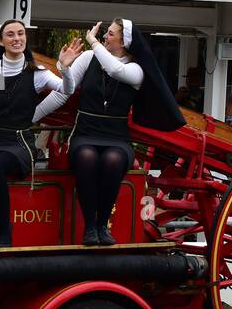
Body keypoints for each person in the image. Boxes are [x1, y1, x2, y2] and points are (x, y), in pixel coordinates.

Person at [53, 20, 186, 246]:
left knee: (113, 160)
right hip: (86, 132)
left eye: (110, 34)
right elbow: (64, 90)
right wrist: (64, 68)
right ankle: (89, 228)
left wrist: (92, 41)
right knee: (87, 157)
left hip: (116, 137)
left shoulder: (136, 70)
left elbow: (116, 70)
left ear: (124, 42)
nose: (105, 36)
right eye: (104, 33)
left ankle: (102, 225)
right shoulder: (88, 58)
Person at [0, 20, 63, 248]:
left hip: (20, 143)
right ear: (1, 41)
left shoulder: (38, 73)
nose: (17, 38)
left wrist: (65, 68)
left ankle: (4, 229)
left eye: (21, 33)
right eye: (10, 34)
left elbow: (67, 90)